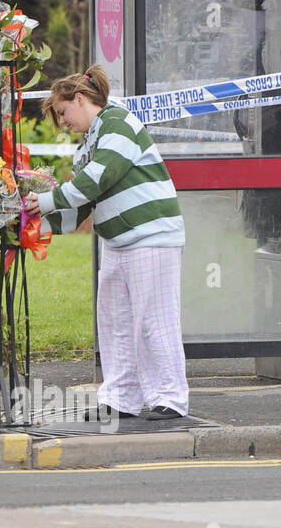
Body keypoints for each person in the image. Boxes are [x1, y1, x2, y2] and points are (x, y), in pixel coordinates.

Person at [22, 65, 189, 421]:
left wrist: (47, 202)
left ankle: (170, 399)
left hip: (152, 237)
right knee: (115, 322)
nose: (63, 123)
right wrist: (29, 224)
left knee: (154, 320)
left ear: (80, 98)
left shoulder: (118, 122)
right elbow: (82, 205)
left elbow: (101, 177)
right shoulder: (88, 145)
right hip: (118, 242)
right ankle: (120, 399)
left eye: (64, 113)